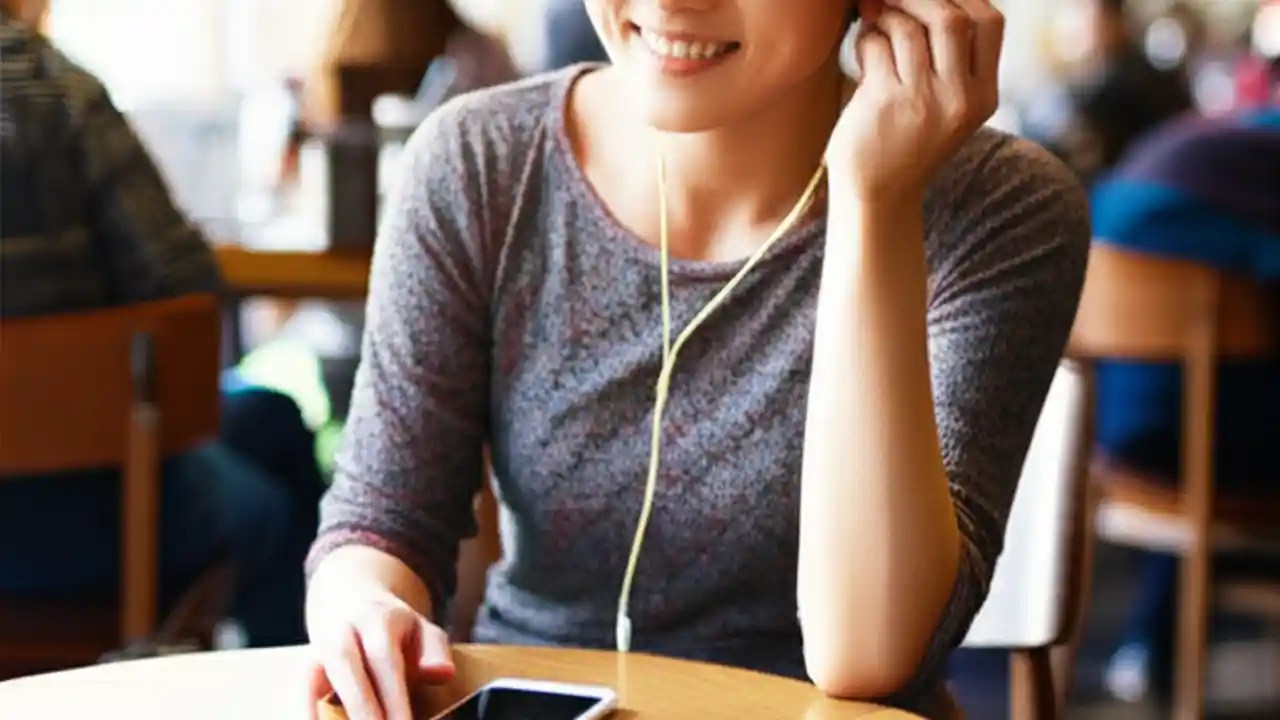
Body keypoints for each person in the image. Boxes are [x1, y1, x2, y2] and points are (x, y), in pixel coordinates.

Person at [304, 0, 1089, 717]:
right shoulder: (477, 163)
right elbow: (382, 523)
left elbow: (868, 655)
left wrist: (873, 201)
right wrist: (365, 604)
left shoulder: (1000, 206)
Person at [0, 3, 320, 648]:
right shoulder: (57, 90)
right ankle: (291, 677)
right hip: (87, 512)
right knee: (273, 484)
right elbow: (186, 296)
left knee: (269, 417)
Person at [1090, 73, 1280, 700]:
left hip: (1112, 447)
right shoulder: (1259, 171)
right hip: (1207, 448)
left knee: (1202, 398)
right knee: (1211, 406)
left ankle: (1149, 643)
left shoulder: (1188, 146)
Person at [1055, 0, 1195, 185]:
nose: (1085, 32)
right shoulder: (1145, 72)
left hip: (1132, 184)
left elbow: (1083, 144)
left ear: (1113, 21)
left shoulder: (1122, 81)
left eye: (1091, 21)